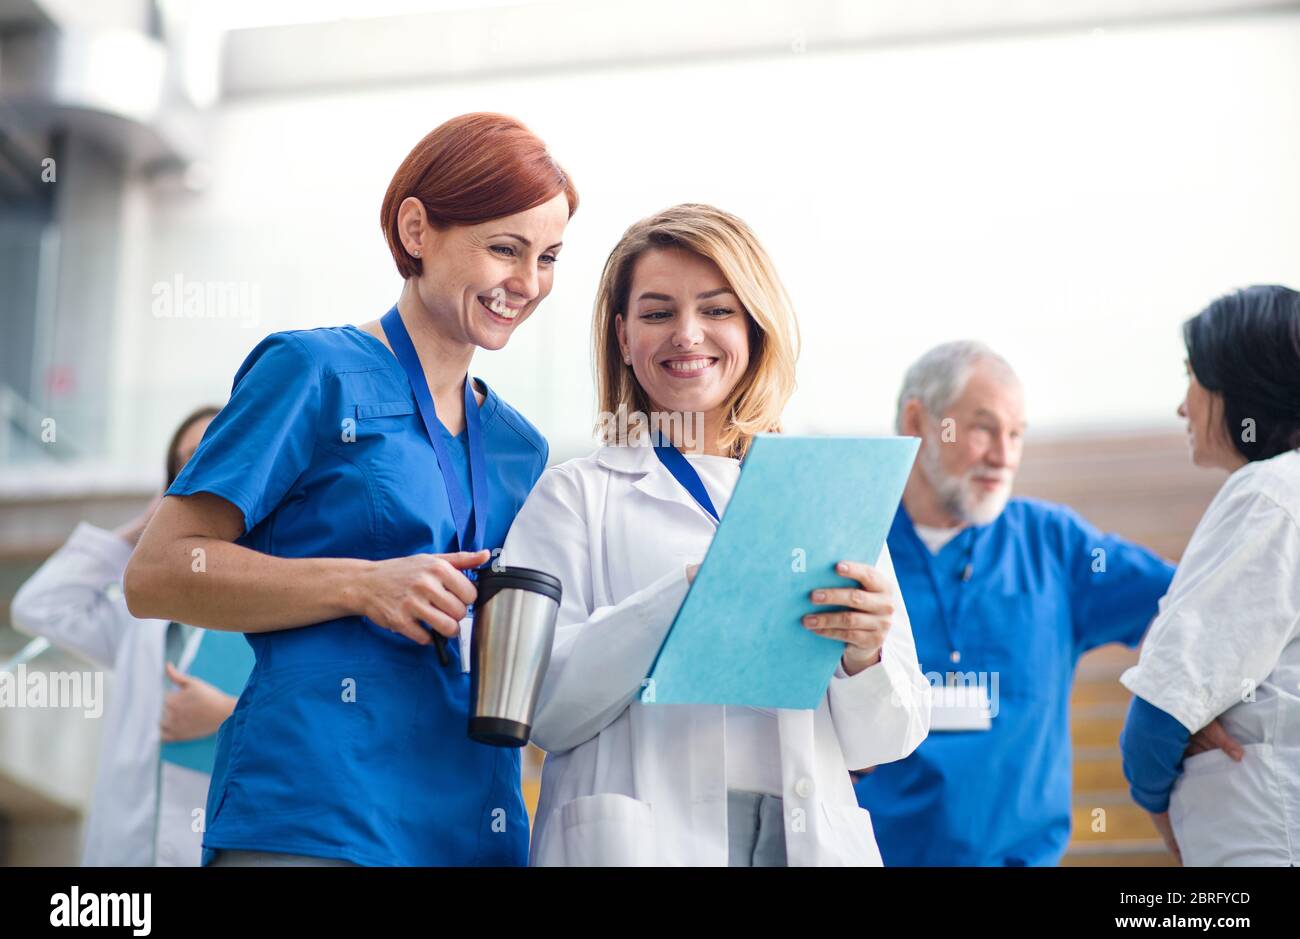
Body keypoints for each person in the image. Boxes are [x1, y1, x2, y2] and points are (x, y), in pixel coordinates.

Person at [124, 113, 578, 866]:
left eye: (549, 257)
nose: (527, 284)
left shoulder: (521, 447)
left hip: (472, 819)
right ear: (417, 228)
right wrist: (364, 585)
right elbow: (160, 571)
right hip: (316, 807)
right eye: (505, 248)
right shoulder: (310, 372)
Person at [499, 203, 932, 866]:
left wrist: (865, 656)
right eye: (657, 312)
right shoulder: (574, 497)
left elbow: (888, 739)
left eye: (717, 309)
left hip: (802, 839)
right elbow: (545, 711)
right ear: (622, 337)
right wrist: (679, 596)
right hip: (643, 839)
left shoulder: (828, 492)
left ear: (755, 325)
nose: (687, 334)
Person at [854, 340, 1176, 866]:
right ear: (917, 422)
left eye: (1017, 433)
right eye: (983, 428)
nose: (1004, 456)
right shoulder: (854, 548)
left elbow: (1199, 605)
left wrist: (1194, 704)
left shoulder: (1056, 544)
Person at [11, 406, 253, 866]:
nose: (200, 465)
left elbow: (323, 716)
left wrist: (225, 714)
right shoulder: (141, 606)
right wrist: (147, 527)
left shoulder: (283, 585)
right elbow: (39, 606)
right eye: (185, 459)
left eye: (215, 448)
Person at [1120, 285, 1300, 867]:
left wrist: (1158, 799)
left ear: (1242, 385)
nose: (1182, 406)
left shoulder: (1269, 493)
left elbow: (1154, 724)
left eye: (1192, 378)